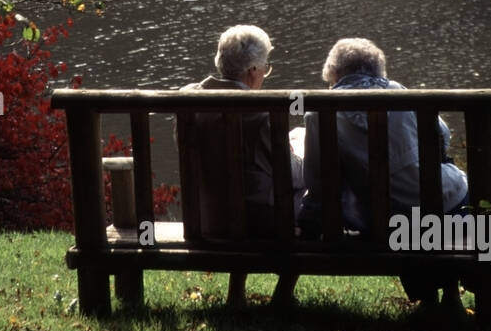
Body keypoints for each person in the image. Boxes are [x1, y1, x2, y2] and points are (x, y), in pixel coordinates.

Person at [297, 37, 468, 312]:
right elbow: (442, 136)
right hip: (443, 203)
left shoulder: (320, 112)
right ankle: (451, 296)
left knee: (401, 214)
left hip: (384, 221)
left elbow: (320, 183)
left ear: (335, 73)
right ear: (377, 70)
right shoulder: (400, 92)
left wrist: (307, 223)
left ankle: (428, 298)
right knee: (452, 192)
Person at [178, 24, 303, 303]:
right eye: (266, 68)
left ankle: (236, 293)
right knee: (305, 200)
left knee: (245, 185)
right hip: (258, 227)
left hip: (203, 221)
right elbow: (290, 176)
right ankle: (283, 294)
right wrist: (302, 156)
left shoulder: (188, 98)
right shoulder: (261, 113)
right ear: (253, 72)